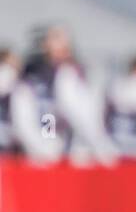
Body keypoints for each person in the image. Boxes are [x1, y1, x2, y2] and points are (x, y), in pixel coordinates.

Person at [10, 26, 118, 166]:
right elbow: (44, 116)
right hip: (40, 157)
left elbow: (84, 116)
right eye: (57, 40)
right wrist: (46, 145)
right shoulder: (33, 77)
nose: (63, 45)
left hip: (68, 153)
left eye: (65, 41)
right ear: (45, 45)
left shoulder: (72, 74)